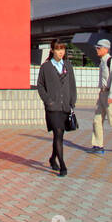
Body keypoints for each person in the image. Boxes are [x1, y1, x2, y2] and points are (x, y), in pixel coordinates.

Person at [37, 42, 77, 176]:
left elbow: (72, 85)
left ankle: (52, 158)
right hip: (53, 108)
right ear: (52, 50)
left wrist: (72, 102)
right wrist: (48, 101)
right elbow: (40, 86)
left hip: (65, 106)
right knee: (58, 132)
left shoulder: (68, 66)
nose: (61, 52)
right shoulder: (46, 67)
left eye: (63, 49)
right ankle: (62, 165)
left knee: (59, 135)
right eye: (58, 49)